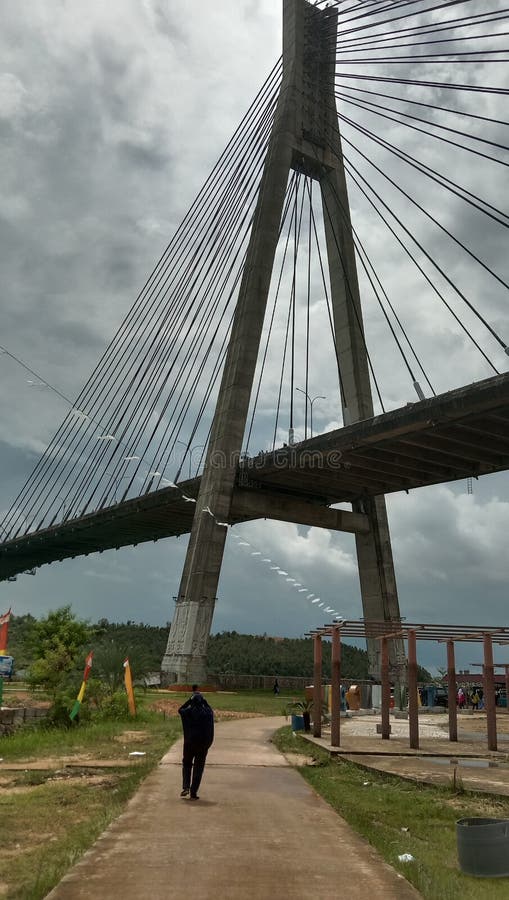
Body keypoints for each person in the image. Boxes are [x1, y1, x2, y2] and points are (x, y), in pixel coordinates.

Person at [178, 685, 214, 800]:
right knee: (199, 767)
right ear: (202, 702)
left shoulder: (187, 713)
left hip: (189, 744)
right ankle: (194, 792)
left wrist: (189, 700)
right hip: (203, 745)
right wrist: (204, 701)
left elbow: (180, 710)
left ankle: (185, 787)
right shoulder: (207, 714)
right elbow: (211, 710)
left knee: (187, 764)